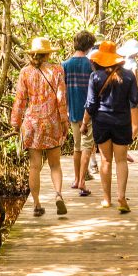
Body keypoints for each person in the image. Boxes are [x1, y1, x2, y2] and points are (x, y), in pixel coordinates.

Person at [10, 36, 69, 216]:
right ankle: (58, 195)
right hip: (51, 123)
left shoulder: (25, 73)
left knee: (34, 166)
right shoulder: (57, 70)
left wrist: (15, 122)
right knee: (55, 164)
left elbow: (20, 100)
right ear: (47, 54)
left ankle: (36, 204)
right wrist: (64, 121)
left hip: (32, 124)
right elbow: (60, 99)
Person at [84, 40, 138, 213]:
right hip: (122, 122)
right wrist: (136, 125)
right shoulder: (129, 75)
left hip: (101, 122)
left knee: (105, 160)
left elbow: (91, 104)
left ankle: (107, 199)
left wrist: (84, 123)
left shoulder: (95, 77)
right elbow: (135, 102)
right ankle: (121, 196)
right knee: (121, 160)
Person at [61, 31, 96, 196]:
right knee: (87, 147)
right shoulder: (91, 65)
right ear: (89, 46)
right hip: (88, 113)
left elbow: (62, 92)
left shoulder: (65, 65)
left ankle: (76, 179)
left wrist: (64, 112)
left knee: (77, 148)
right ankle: (82, 180)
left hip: (73, 111)